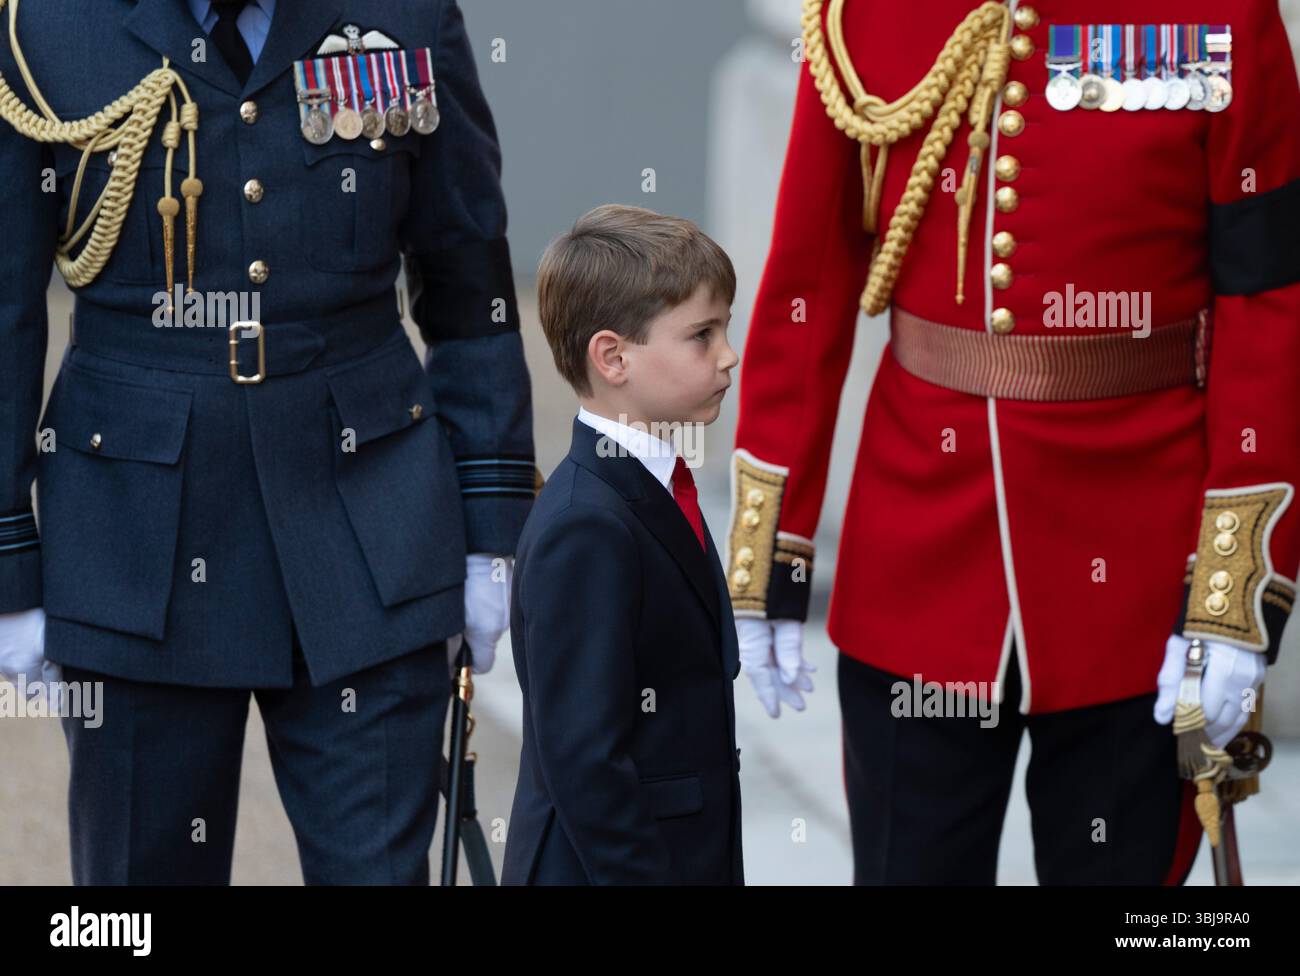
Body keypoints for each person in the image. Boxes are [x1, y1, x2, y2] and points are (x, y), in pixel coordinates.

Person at [726, 0, 1299, 883]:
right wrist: (771, 550)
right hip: (914, 561)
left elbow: (1268, 300)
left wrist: (1235, 593)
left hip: (1137, 576)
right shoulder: (864, 17)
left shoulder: (1221, 12)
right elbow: (809, 280)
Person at [0, 0, 535, 883]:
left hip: (371, 525)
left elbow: (468, 266)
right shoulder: (46, 25)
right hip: (137, 540)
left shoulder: (405, 11)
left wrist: (490, 523)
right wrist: (11, 564)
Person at [501, 205, 744, 885]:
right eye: (702, 334)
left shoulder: (650, 486)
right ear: (612, 357)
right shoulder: (588, 525)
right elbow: (586, 759)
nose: (729, 355)